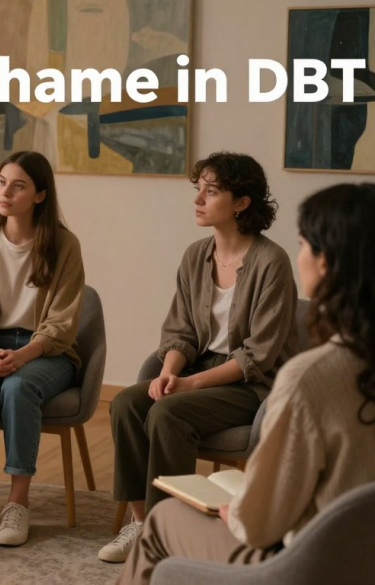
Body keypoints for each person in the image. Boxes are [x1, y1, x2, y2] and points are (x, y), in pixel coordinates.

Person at [116, 182, 375, 583]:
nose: (297, 256)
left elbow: (258, 526)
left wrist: (237, 510)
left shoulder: (311, 380)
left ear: (327, 264)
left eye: (303, 244)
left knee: (165, 520)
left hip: (316, 567)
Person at [101, 152, 299, 563]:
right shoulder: (195, 256)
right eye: (198, 190)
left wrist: (189, 385)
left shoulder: (271, 262)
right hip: (197, 370)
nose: (199, 200)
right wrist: (169, 373)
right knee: (125, 402)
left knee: (167, 414)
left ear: (242, 203)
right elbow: (180, 332)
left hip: (250, 386)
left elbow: (256, 356)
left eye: (211, 192)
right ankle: (140, 524)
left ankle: (166, 534)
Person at [0, 150, 85, 547]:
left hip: (47, 352)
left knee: (18, 387)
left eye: (19, 185)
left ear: (40, 196)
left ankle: (17, 503)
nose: (5, 192)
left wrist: (24, 354)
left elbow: (62, 323)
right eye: (1, 181)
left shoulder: (64, 245)